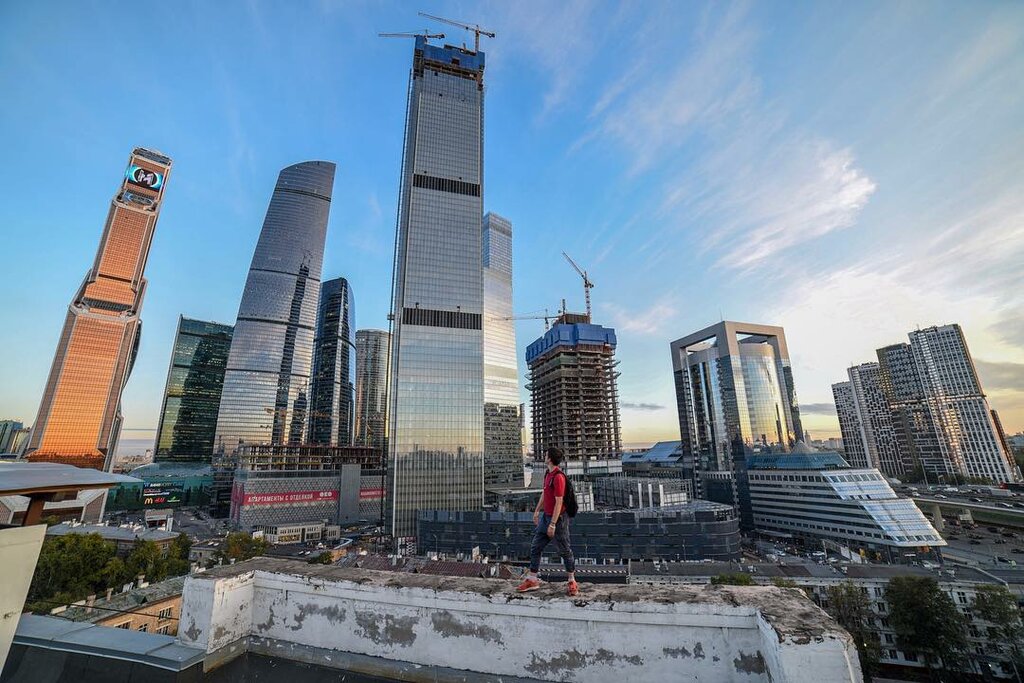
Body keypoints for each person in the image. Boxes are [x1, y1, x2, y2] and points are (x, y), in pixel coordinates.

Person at [516, 446, 578, 596]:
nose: (544, 456)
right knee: (536, 547)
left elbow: (559, 502)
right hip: (546, 517)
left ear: (550, 458)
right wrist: (537, 511)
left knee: (565, 551)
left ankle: (572, 581)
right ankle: (532, 579)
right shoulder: (547, 474)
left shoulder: (558, 477)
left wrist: (553, 524)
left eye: (545, 454)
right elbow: (545, 494)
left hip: (558, 520)